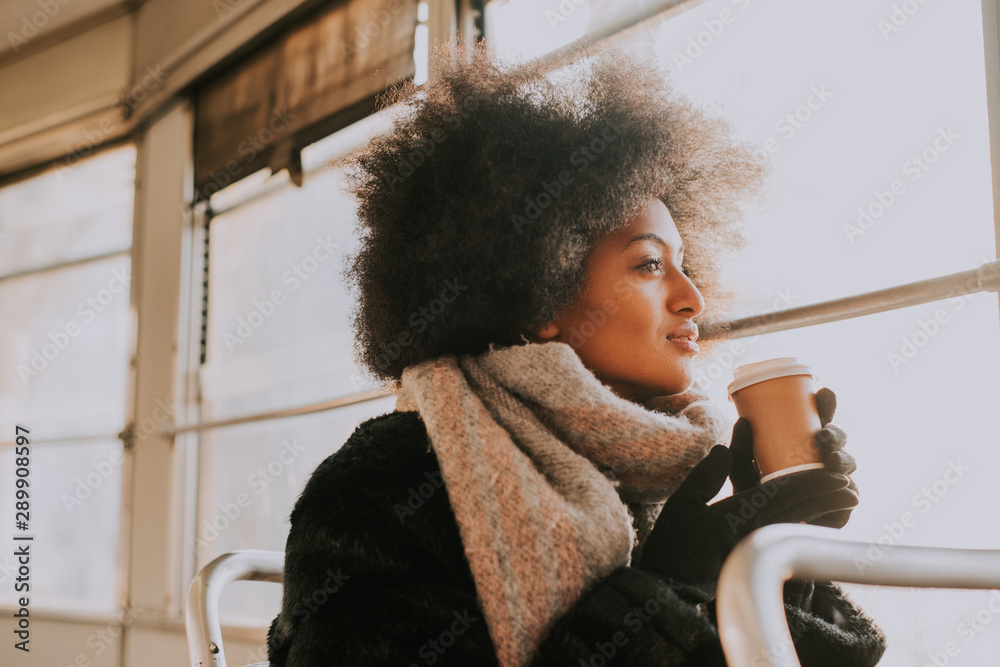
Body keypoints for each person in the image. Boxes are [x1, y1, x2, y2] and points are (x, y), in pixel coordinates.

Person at [265, 41, 887, 666]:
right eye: (648, 265)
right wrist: (666, 590)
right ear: (538, 297)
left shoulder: (670, 478)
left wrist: (779, 556)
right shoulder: (382, 487)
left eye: (687, 265)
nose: (694, 298)